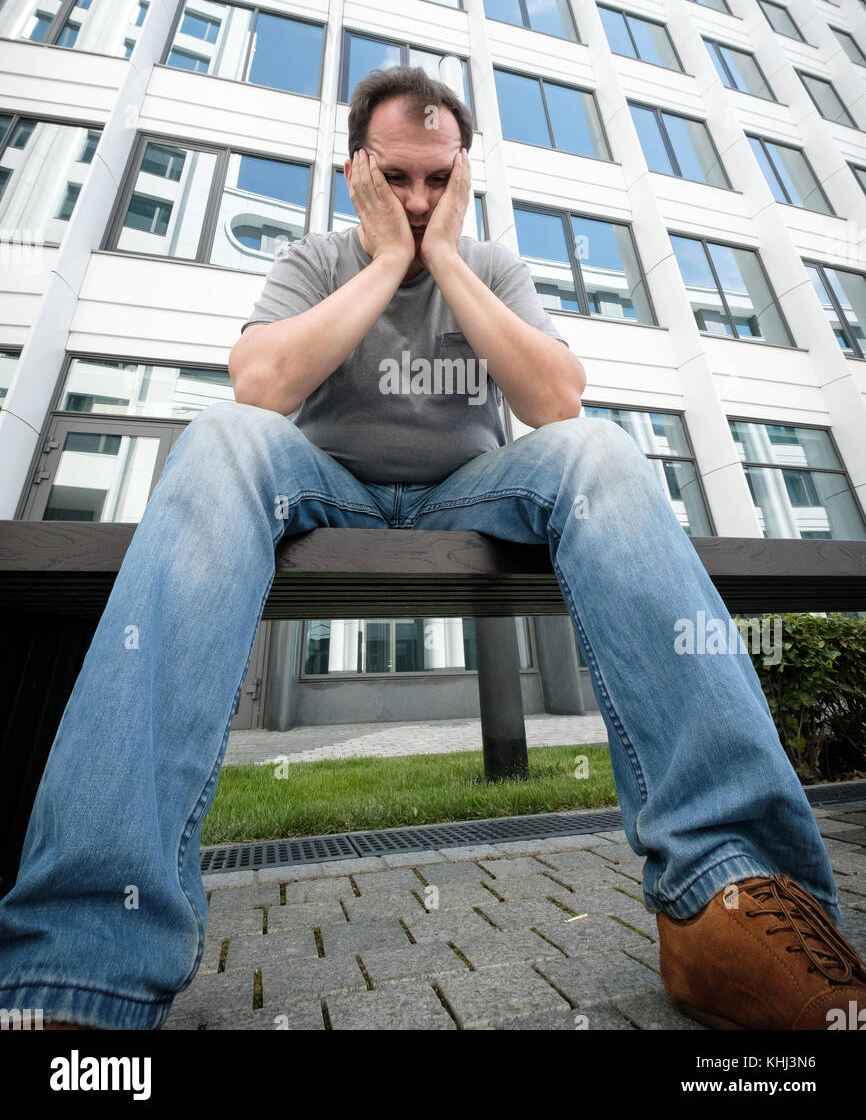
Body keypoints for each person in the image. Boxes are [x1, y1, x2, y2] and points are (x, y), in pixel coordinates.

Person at [0, 66, 863, 1033]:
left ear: (464, 176)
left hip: (472, 496)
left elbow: (554, 403)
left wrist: (446, 259)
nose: (417, 202)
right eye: (396, 177)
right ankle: (84, 959)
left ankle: (729, 894)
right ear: (355, 169)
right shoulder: (316, 257)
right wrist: (380, 265)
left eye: (438, 180)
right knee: (219, 438)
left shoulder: (490, 265)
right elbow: (260, 386)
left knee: (603, 452)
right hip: (327, 488)